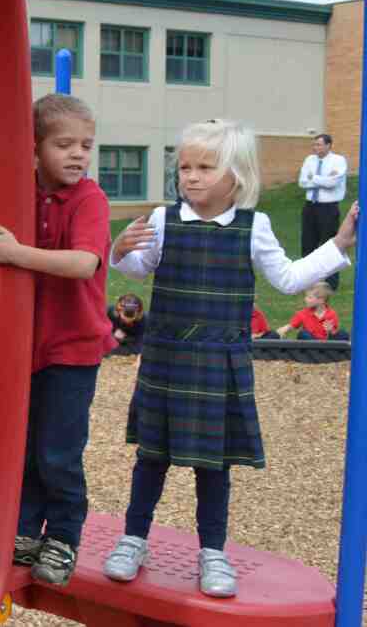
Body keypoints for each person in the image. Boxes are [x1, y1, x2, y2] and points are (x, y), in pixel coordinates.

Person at [105, 119, 357, 598]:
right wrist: (120, 251)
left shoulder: (253, 226)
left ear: (236, 177)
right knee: (151, 456)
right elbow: (137, 270)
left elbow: (287, 278)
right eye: (185, 167)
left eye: (205, 167)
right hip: (166, 357)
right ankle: (133, 539)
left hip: (219, 360)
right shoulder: (163, 219)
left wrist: (338, 245)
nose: (192, 176)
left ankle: (213, 551)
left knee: (213, 463)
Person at [0, 93, 113, 587]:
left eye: (86, 145)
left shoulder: (89, 199)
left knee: (59, 450)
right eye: (64, 145)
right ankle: (25, 528)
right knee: (24, 446)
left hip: (73, 348)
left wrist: (15, 253)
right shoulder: (20, 195)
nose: (78, 154)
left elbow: (83, 264)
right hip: (25, 347)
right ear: (34, 147)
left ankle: (62, 536)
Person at [298, 133, 348, 289]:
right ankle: (308, 280)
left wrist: (313, 177)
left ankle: (330, 282)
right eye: (314, 145)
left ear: (328, 145)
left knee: (329, 245)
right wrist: (323, 179)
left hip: (328, 208)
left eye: (319, 144)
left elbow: (333, 183)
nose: (315, 148)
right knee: (308, 242)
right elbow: (302, 182)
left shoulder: (338, 161)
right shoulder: (309, 160)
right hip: (310, 206)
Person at [276, 281, 349, 341]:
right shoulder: (303, 314)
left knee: (343, 334)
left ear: (321, 300)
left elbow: (334, 335)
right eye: (306, 297)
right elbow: (290, 326)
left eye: (309, 297)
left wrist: (330, 330)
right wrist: (281, 331)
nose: (306, 299)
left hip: (327, 345)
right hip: (311, 345)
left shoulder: (331, 314)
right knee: (303, 334)